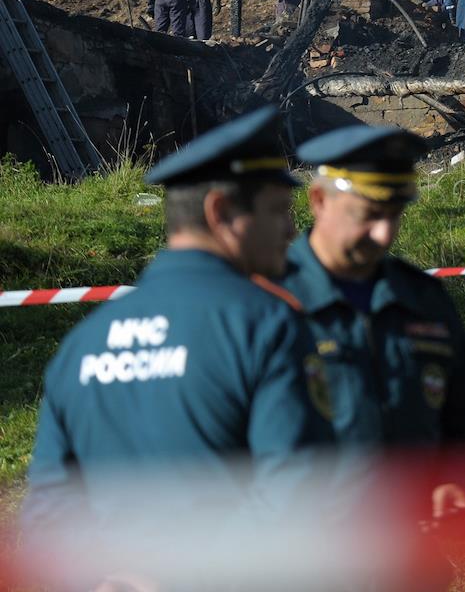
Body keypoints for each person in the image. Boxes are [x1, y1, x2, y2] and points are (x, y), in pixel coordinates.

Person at [22, 105, 335, 585]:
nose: (293, 232)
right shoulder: (266, 324)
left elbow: (48, 510)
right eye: (278, 212)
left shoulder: (82, 344)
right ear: (221, 212)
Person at [281, 123, 465, 589]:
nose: (383, 233)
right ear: (319, 201)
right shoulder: (263, 304)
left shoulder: (424, 300)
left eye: (395, 214)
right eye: (368, 213)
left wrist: (459, 485)